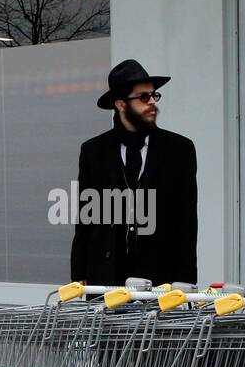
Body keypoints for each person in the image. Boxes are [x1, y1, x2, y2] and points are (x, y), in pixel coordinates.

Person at [70, 59, 198, 286]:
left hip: (161, 280)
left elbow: (187, 221)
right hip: (106, 276)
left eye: (154, 95)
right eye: (143, 97)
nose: (152, 102)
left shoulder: (179, 149)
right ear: (120, 104)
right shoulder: (93, 151)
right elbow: (85, 217)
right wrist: (79, 274)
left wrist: (185, 279)